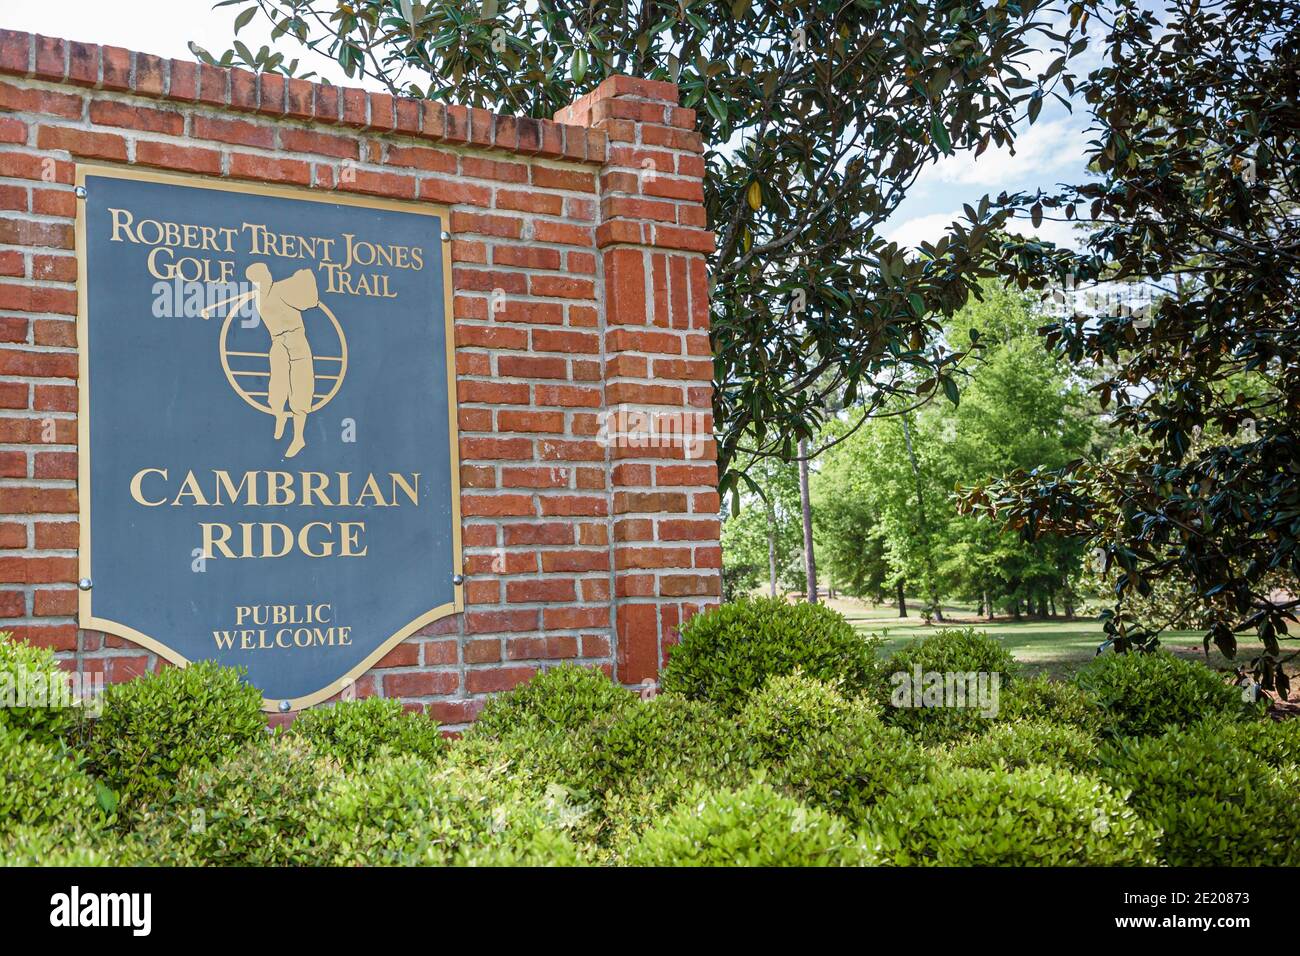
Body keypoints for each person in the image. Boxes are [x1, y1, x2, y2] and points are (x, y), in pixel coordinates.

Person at [245, 263, 318, 459]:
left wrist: (298, 283)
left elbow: (310, 300)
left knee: (300, 387)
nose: (266, 277)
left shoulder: (283, 288)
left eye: (266, 273)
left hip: (297, 341)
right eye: (260, 277)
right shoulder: (260, 298)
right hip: (278, 343)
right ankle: (279, 417)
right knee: (277, 386)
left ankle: (299, 437)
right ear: (255, 281)